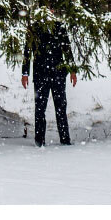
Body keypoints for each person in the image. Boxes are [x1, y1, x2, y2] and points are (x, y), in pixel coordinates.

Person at [21, 14, 77, 146]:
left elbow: (67, 49)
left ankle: (65, 140)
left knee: (61, 108)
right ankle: (39, 141)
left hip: (58, 73)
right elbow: (27, 51)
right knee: (40, 108)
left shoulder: (60, 27)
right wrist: (25, 73)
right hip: (40, 74)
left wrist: (72, 70)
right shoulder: (34, 28)